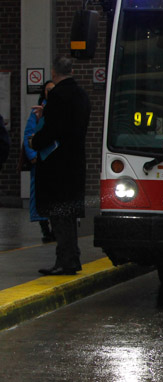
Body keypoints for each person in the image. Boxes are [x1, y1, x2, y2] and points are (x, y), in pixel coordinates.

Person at [30, 58, 91, 275]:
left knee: (58, 215)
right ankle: (71, 258)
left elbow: (53, 130)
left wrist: (35, 141)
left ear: (54, 72)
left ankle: (65, 261)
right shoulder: (82, 95)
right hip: (75, 163)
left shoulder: (57, 96)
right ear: (72, 70)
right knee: (69, 215)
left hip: (57, 166)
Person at [23, 81, 56, 242]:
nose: (50, 92)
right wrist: (32, 155)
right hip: (40, 159)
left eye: (53, 90)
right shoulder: (37, 110)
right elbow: (29, 134)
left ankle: (55, 227)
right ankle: (45, 229)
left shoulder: (60, 109)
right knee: (38, 195)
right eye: (47, 90)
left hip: (54, 159)